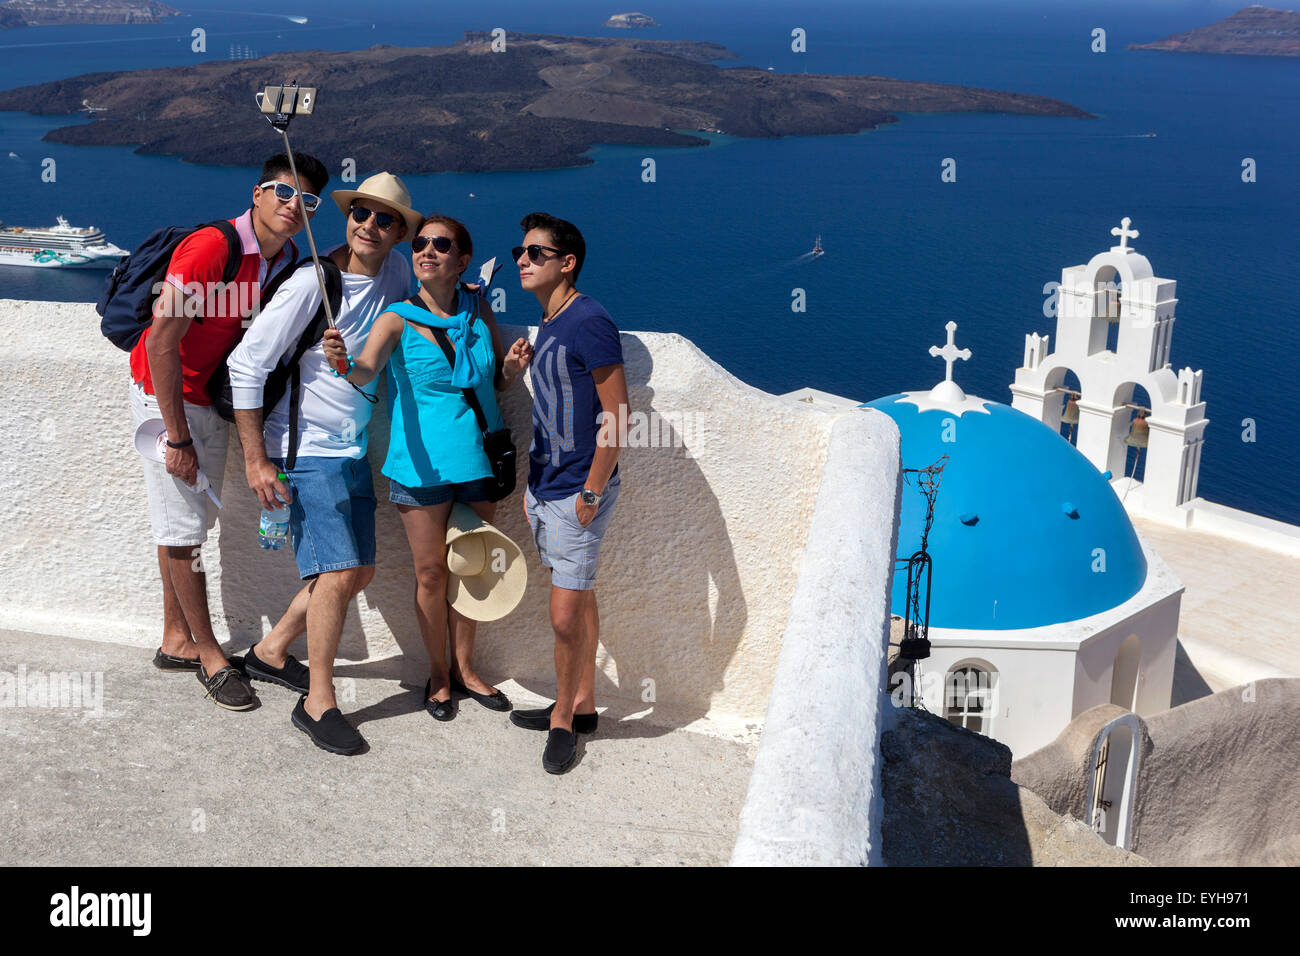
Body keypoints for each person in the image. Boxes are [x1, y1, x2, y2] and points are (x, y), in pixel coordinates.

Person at [227, 172, 418, 755]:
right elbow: (246, 365)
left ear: (399, 233)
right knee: (336, 573)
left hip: (352, 449)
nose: (370, 225)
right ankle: (318, 702)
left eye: (385, 219)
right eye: (361, 212)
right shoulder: (314, 283)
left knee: (355, 572)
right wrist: (257, 460)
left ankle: (268, 652)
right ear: (348, 217)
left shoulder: (398, 272)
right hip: (306, 450)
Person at [130, 151, 328, 710]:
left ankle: (176, 640)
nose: (294, 206)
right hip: (165, 396)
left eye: (307, 201)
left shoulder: (286, 258)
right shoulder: (213, 248)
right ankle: (212, 656)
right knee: (184, 530)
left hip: (205, 398)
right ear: (257, 193)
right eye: (283, 192)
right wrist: (176, 437)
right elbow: (161, 341)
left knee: (184, 522)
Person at [322, 215, 531, 722]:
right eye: (420, 244)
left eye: (442, 245)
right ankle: (439, 674)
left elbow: (495, 385)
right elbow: (367, 369)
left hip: (479, 460)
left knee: (472, 566)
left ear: (461, 262)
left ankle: (467, 668)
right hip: (419, 468)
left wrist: (511, 370)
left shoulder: (478, 308)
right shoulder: (396, 317)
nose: (427, 251)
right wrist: (343, 362)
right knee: (433, 572)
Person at [507, 212, 629, 774]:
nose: (523, 262)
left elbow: (618, 415)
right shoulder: (551, 322)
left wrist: (591, 491)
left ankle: (562, 722)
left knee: (562, 615)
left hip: (577, 491)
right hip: (545, 485)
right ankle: (582, 704)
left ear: (567, 262)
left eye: (536, 253)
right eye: (521, 253)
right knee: (576, 597)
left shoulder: (590, 320)